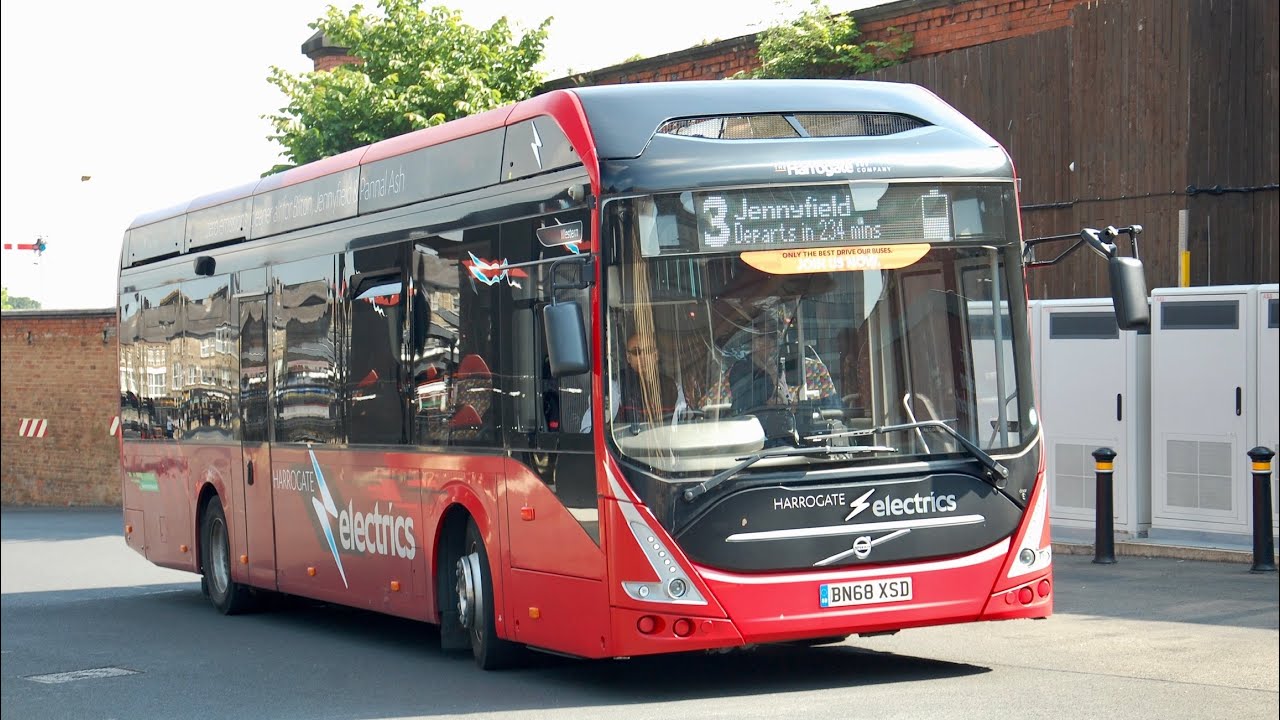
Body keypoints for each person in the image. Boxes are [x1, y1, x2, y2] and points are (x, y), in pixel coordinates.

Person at [580, 331, 685, 432]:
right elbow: (590, 430)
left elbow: (683, 427)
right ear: (628, 357)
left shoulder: (673, 387)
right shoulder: (615, 386)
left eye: (648, 351)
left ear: (656, 355)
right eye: (636, 352)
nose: (643, 358)